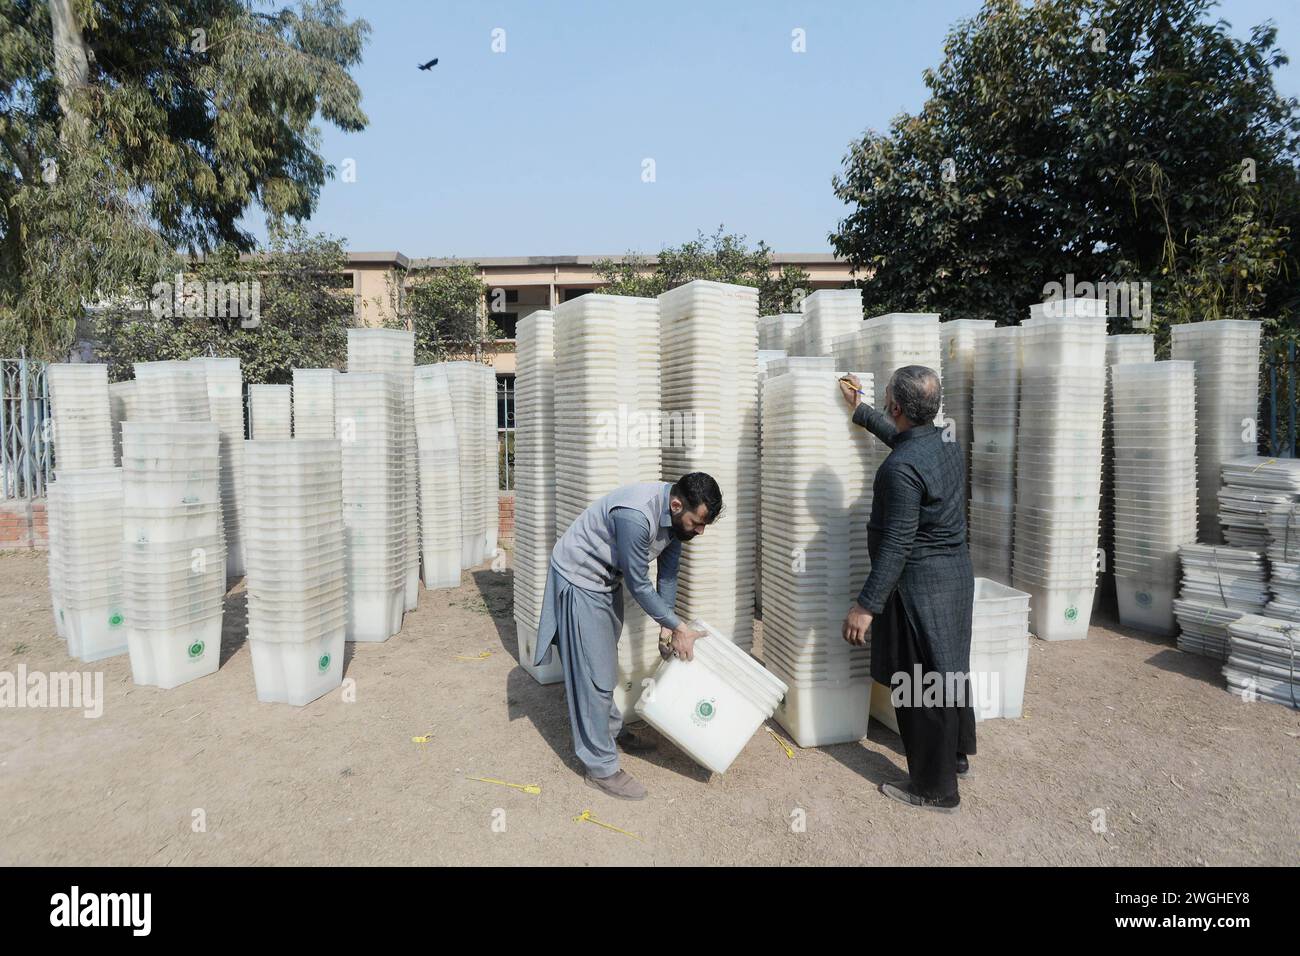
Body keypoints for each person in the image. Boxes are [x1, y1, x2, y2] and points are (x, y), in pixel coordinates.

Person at [839, 366, 976, 813]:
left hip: (918, 585)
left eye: (883, 401)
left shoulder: (899, 469)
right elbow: (906, 440)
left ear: (897, 407)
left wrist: (866, 605)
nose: (883, 405)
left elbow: (897, 543)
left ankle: (934, 790)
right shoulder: (946, 442)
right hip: (953, 577)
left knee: (920, 684)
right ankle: (954, 755)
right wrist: (860, 410)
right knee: (949, 669)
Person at [533, 473, 721, 800]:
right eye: (697, 522)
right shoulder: (635, 516)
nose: (700, 531)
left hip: (605, 579)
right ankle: (601, 768)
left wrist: (666, 625)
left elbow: (669, 573)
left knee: (603, 663)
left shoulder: (676, 521)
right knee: (595, 673)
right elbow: (638, 582)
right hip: (580, 579)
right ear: (677, 505)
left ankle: (610, 730)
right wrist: (679, 627)